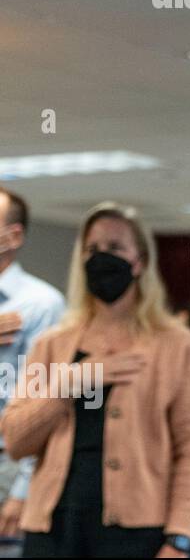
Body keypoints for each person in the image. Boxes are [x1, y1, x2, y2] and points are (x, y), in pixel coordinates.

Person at [0, 202, 190, 557]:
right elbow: (17, 441)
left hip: (137, 531)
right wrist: (70, 384)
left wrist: (179, 536)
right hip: (53, 526)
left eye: (115, 248)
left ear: (139, 260)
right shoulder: (52, 343)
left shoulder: (177, 345)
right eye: (92, 249)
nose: (102, 258)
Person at [0, 187, 66, 537]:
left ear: (14, 235)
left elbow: (46, 404)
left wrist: (23, 489)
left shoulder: (41, 304)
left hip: (6, 464)